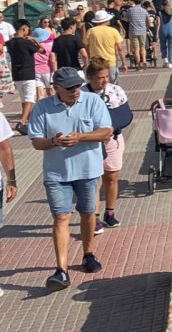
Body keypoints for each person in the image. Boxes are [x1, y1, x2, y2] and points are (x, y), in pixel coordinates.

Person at [28, 67, 113, 290]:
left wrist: (81, 137)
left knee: (88, 213)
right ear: (56, 88)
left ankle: (88, 253)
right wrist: (54, 141)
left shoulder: (93, 101)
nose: (75, 90)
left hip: (88, 171)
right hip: (57, 173)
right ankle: (61, 270)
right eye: (69, 88)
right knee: (61, 217)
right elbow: (36, 141)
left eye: (77, 86)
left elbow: (106, 132)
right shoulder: (42, 107)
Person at [84, 58, 130, 233]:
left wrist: (112, 128)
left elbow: (126, 115)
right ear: (90, 78)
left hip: (112, 140)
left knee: (112, 177)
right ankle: (94, 217)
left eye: (106, 76)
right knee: (94, 180)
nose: (104, 80)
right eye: (100, 78)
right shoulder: (82, 94)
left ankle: (109, 213)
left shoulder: (115, 91)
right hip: (91, 142)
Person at [8, 22, 44, 134]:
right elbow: (42, 50)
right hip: (28, 72)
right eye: (28, 29)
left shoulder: (10, 43)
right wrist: (34, 40)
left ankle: (27, 121)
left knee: (24, 99)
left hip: (17, 74)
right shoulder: (27, 42)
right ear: (24, 29)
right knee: (29, 99)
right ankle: (22, 122)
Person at [85, 10, 125, 84]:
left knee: (98, 83)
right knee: (113, 83)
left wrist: (90, 57)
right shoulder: (113, 31)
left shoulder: (90, 31)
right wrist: (124, 62)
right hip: (111, 61)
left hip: (96, 62)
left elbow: (86, 46)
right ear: (106, 20)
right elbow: (120, 49)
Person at [32, 26, 57, 100]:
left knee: (40, 94)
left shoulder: (32, 48)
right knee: (51, 93)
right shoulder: (49, 47)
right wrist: (55, 71)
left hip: (36, 71)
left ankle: (40, 106)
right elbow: (52, 61)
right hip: (48, 71)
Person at [126, 0, 150, 69]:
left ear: (134, 2)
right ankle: (144, 61)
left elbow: (127, 19)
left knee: (136, 48)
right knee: (143, 46)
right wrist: (147, 27)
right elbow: (148, 20)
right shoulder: (144, 10)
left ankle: (138, 63)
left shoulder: (130, 10)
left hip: (133, 31)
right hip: (142, 31)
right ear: (141, 2)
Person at [159, 0, 172, 68]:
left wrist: (156, 33)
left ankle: (165, 60)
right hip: (171, 29)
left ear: (162, 5)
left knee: (163, 45)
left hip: (162, 29)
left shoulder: (159, 13)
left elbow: (158, 23)